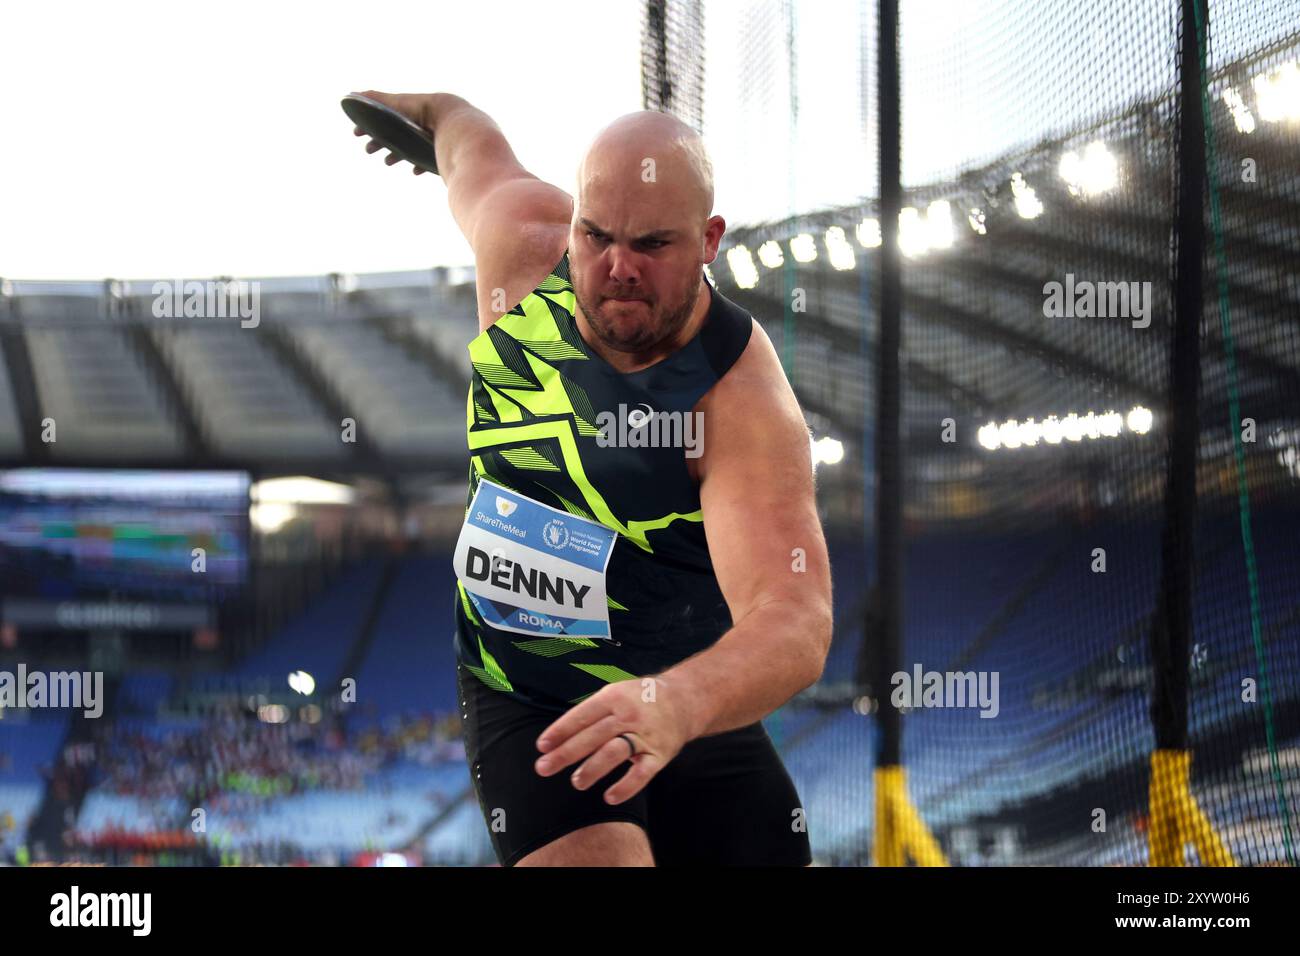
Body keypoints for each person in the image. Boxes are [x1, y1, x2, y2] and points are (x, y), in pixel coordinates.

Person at [352, 91, 833, 866]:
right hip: (529, 687)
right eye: (596, 235)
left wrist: (676, 701)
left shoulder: (737, 396)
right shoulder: (519, 249)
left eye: (651, 244)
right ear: (571, 222)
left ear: (710, 240)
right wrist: (430, 117)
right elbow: (473, 150)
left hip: (682, 694)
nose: (617, 268)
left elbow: (796, 619)